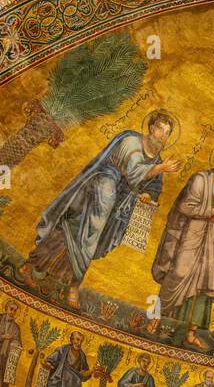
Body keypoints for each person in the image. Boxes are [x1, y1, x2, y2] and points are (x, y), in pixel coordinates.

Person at [23, 109, 181, 308]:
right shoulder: (131, 141)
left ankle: (67, 284)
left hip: (118, 206)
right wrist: (159, 169)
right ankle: (32, 268)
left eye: (167, 133)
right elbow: (131, 172)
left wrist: (148, 195)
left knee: (95, 241)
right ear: (151, 128)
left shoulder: (157, 159)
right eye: (160, 129)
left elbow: (154, 186)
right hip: (99, 191)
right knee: (76, 231)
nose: (163, 136)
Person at [152, 145, 214, 345]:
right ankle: (155, 318)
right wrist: (212, 212)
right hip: (192, 236)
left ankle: (191, 334)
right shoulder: (201, 179)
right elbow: (185, 205)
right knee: (177, 275)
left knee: (204, 290)